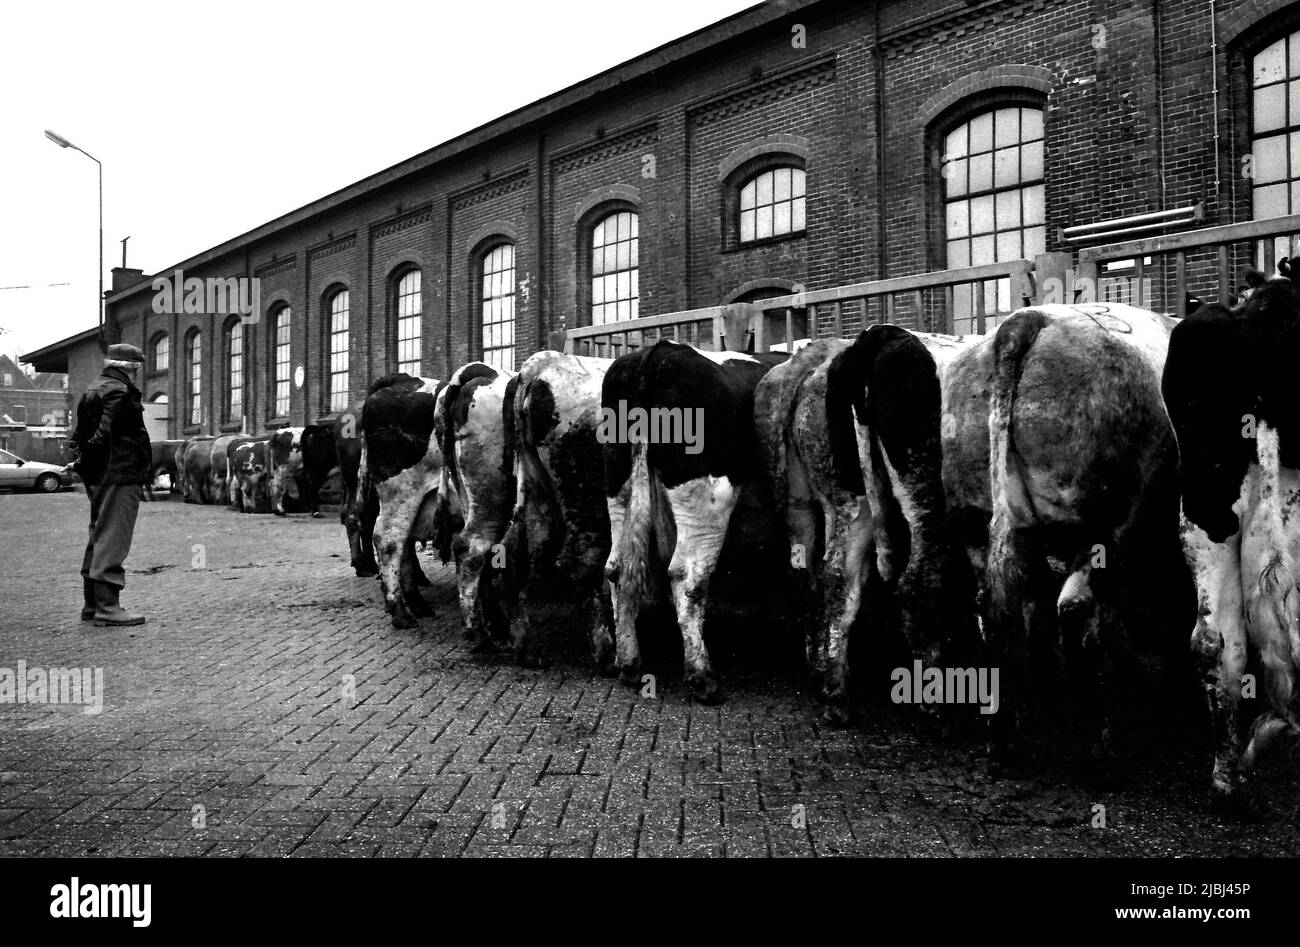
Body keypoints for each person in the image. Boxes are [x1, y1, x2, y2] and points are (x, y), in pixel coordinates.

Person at [68, 343, 151, 626]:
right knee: (113, 537)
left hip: (100, 475)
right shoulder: (119, 391)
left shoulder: (93, 388)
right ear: (132, 368)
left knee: (99, 535)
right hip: (119, 472)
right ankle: (108, 607)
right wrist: (89, 457)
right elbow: (102, 434)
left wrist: (80, 462)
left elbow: (79, 434)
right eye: (139, 369)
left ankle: (92, 604)